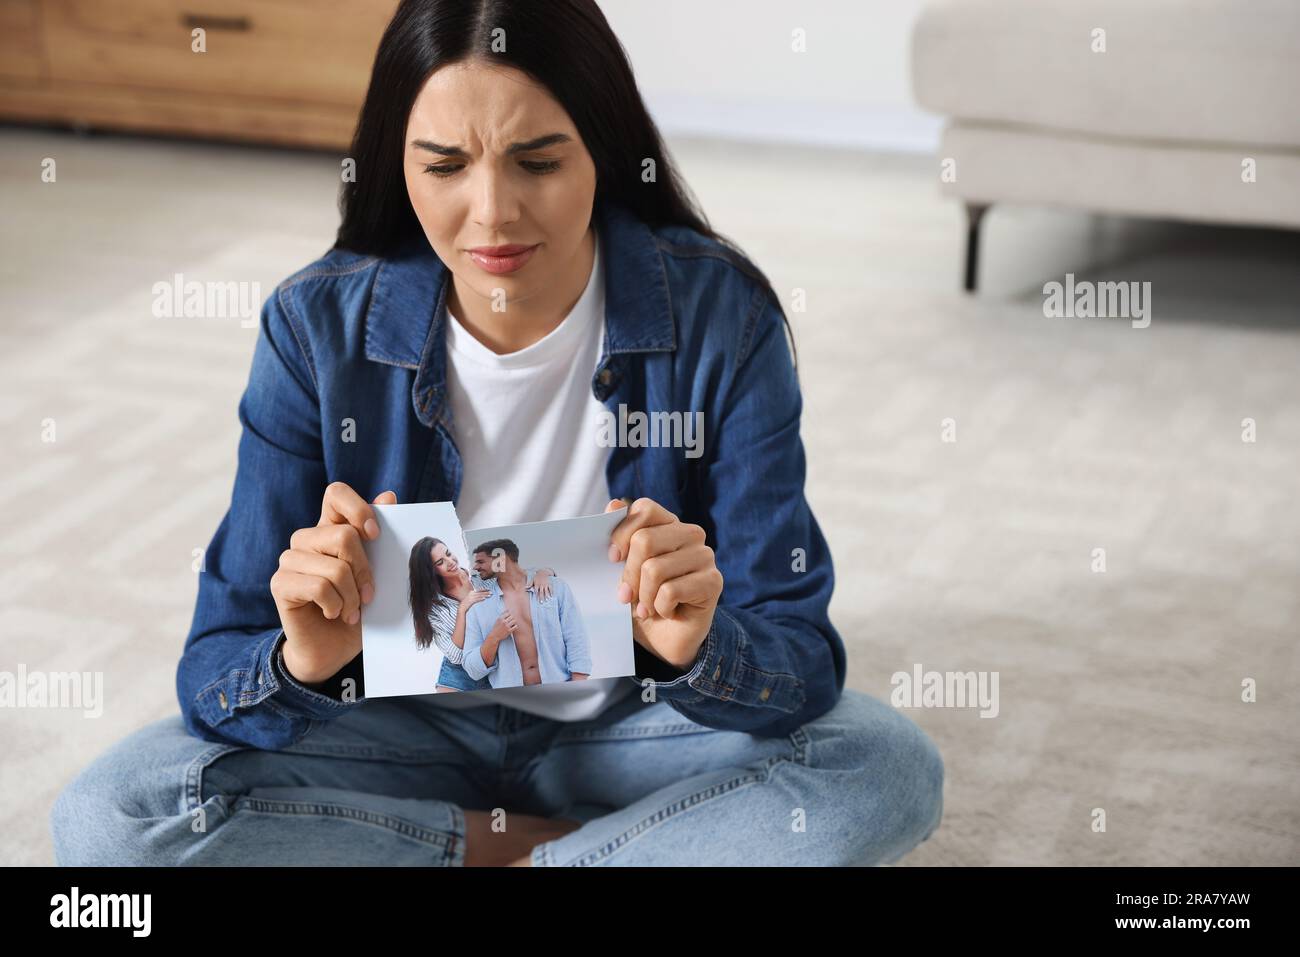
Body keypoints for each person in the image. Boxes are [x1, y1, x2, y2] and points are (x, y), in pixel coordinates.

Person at [50, 0, 944, 867]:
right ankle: (536, 846)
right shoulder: (313, 327)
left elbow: (798, 650)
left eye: (538, 162)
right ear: (395, 166)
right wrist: (304, 663)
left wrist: (702, 648)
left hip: (633, 727)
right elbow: (213, 673)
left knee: (882, 767)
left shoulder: (722, 317)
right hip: (400, 726)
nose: (492, 214)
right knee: (117, 817)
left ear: (602, 146)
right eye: (444, 167)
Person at [407, 535, 554, 693]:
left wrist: (544, 573)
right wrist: (462, 609)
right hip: (458, 675)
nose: (450, 562)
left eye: (448, 554)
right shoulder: (433, 608)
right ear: (430, 571)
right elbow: (456, 657)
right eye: (440, 562)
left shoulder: (482, 575)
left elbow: (523, 575)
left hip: (495, 667)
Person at [460, 539, 591, 688]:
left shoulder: (556, 587)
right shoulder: (479, 606)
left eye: (481, 562)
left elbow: (576, 639)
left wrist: (578, 686)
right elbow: (472, 669)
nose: (476, 567)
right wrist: (494, 637)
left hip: (560, 690)